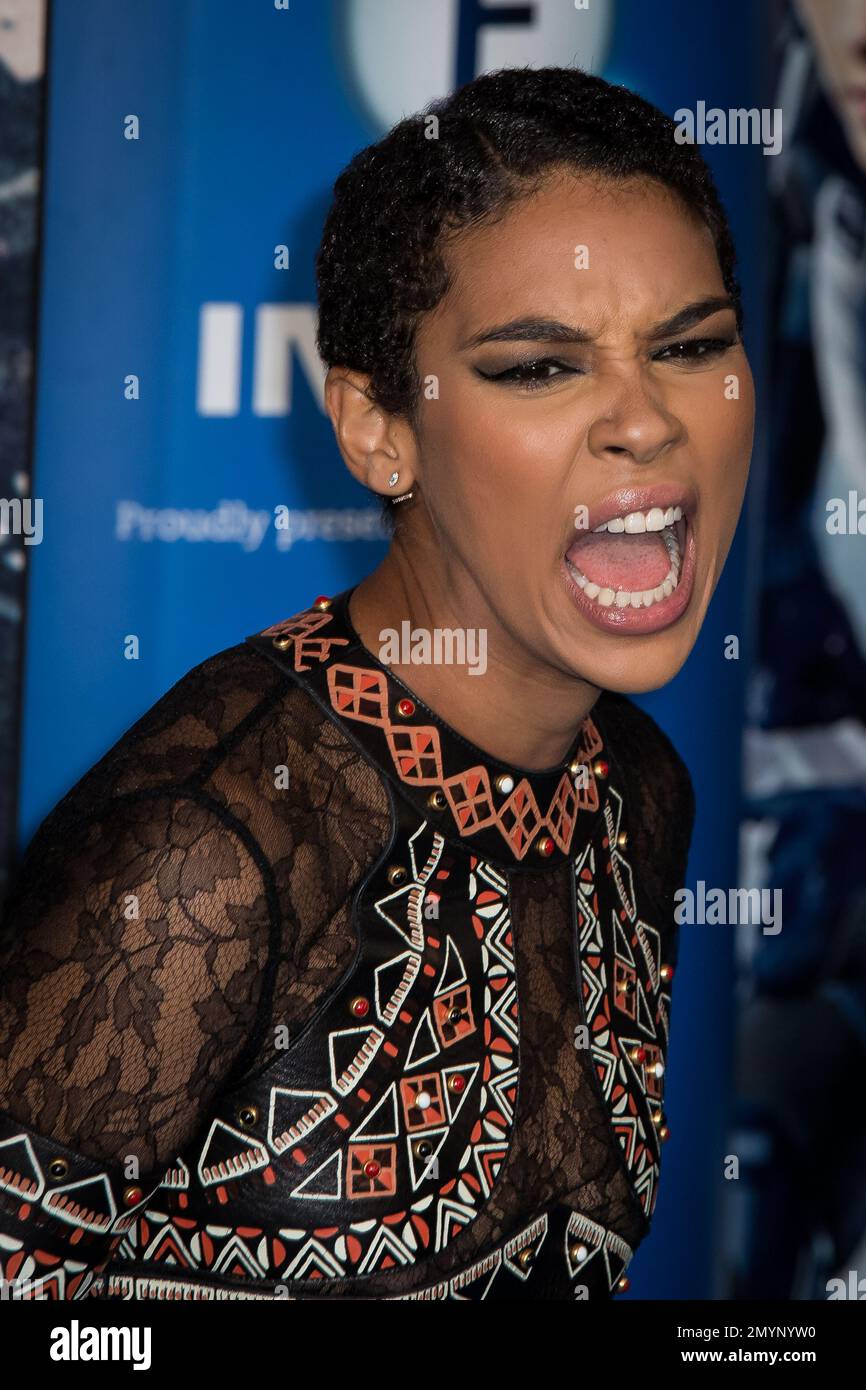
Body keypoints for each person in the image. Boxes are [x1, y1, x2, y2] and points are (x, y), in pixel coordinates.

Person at [0, 64, 754, 1301]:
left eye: (689, 346)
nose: (645, 420)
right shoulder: (202, 849)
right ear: (375, 429)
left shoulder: (638, 793)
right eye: (537, 367)